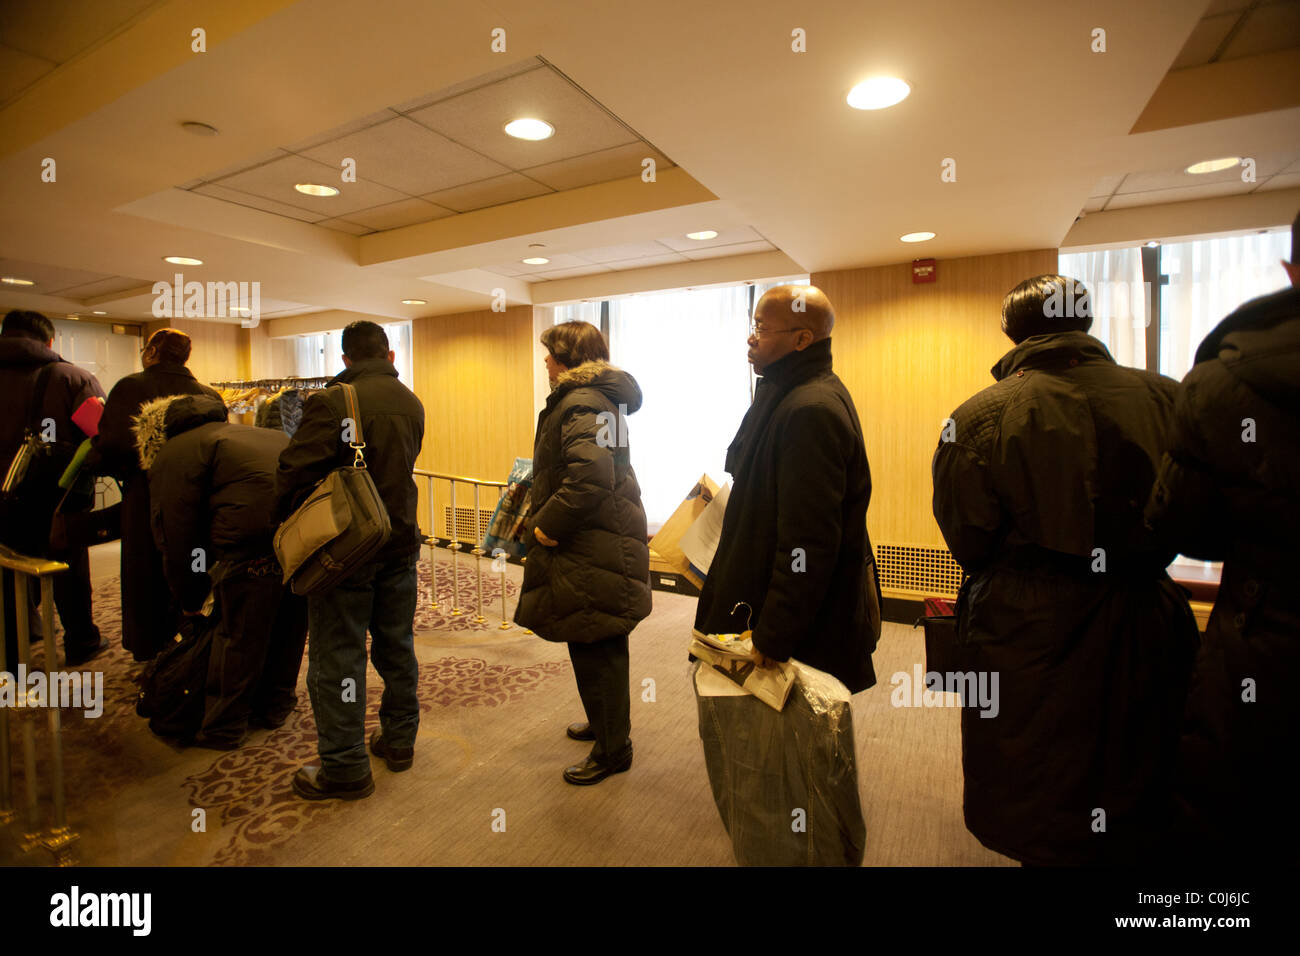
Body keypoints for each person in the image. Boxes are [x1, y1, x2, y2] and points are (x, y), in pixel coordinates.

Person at [932, 274, 1198, 866]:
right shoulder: (1170, 398)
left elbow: (967, 536)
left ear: (1011, 331)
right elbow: (1195, 513)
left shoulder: (977, 416)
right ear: (1087, 320)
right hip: (1145, 609)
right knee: (1141, 763)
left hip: (1025, 626)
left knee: (1038, 778)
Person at [1145, 210, 1300, 863]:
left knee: (1238, 820)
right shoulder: (1157, 389)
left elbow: (1180, 529)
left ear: (1291, 269)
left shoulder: (1224, 379)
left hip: (1269, 641)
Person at [694, 285, 879, 693]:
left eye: (761, 327)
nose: (751, 336)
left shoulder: (810, 409)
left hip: (794, 624)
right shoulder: (785, 391)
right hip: (760, 585)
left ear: (801, 339)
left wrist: (775, 632)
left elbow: (808, 541)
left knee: (785, 745)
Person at [275, 321, 424, 801]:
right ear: (390, 354)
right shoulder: (410, 401)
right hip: (400, 541)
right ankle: (399, 744)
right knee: (396, 646)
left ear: (344, 359)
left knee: (339, 656)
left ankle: (343, 768)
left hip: (347, 550)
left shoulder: (334, 401)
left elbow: (293, 471)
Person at [514, 320, 652, 785]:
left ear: (568, 358)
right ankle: (605, 723)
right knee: (593, 635)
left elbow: (590, 478)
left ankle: (614, 749)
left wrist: (545, 527)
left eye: (550, 355)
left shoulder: (580, 403)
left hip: (589, 540)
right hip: (600, 536)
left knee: (598, 641)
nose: (546, 363)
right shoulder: (599, 399)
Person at [135, 391, 308, 749]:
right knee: (287, 629)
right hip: (298, 541)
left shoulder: (177, 450)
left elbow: (176, 528)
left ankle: (225, 727)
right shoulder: (270, 434)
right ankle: (276, 706)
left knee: (239, 637)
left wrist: (189, 594)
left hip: (246, 551)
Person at [88, 328, 221, 662]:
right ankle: (193, 636)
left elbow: (113, 446)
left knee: (145, 567)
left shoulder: (131, 387)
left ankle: (149, 643)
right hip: (197, 494)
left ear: (152, 351)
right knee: (193, 561)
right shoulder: (207, 395)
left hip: (144, 494)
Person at [0, 309, 107, 667]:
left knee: (7, 572)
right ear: (49, 341)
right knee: (68, 570)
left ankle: (12, 652)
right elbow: (103, 436)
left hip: (3, 501)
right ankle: (81, 642)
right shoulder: (71, 379)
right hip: (58, 500)